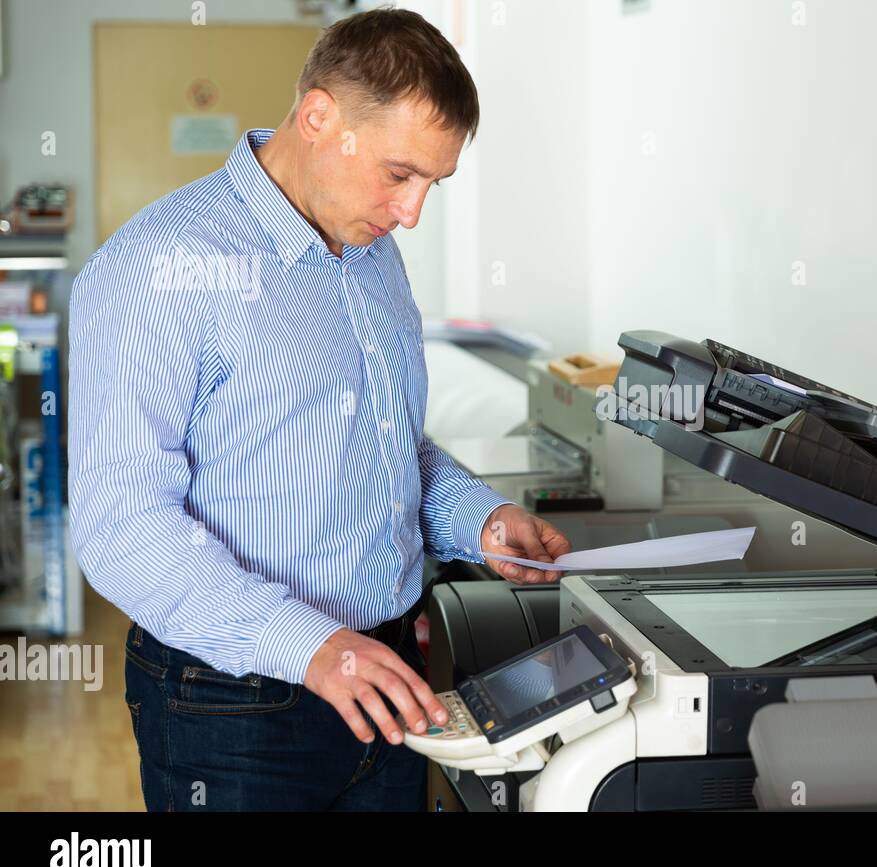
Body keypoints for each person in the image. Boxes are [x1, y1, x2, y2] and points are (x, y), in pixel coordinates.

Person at [68, 8, 570, 811]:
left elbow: (388, 444)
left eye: (432, 185)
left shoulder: (374, 255)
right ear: (317, 118)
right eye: (399, 174)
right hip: (233, 708)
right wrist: (311, 648)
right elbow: (121, 525)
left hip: (390, 681)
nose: (412, 213)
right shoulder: (158, 267)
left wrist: (480, 518)